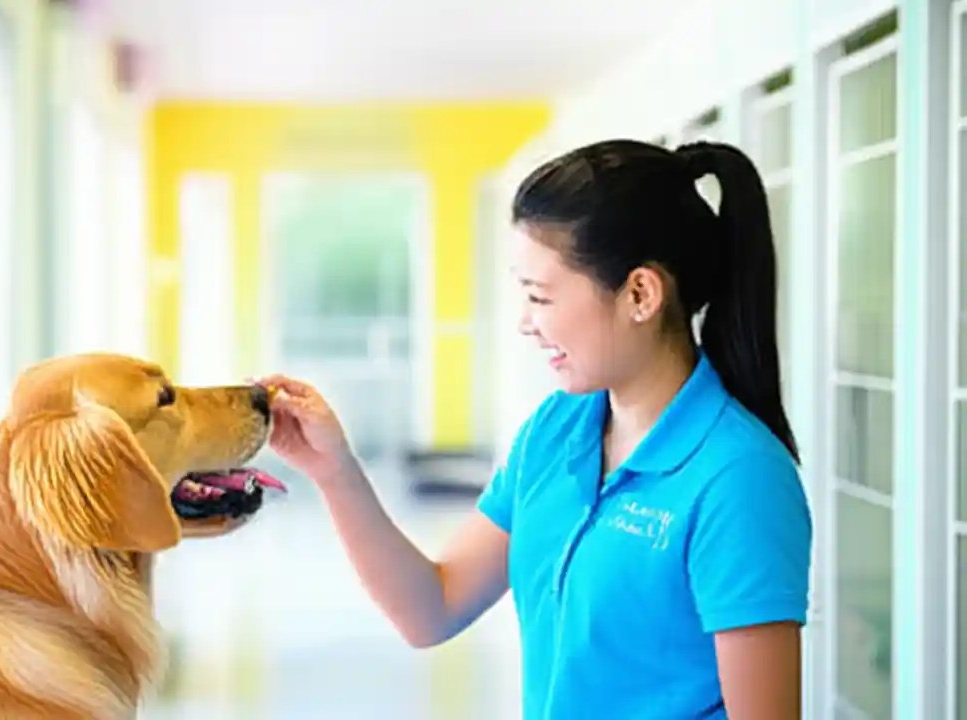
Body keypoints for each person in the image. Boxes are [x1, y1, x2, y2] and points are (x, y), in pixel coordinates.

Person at [257, 138, 812, 719]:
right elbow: (431, 608)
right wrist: (335, 470)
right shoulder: (558, 429)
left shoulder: (739, 479)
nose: (525, 323)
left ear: (641, 294)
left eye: (539, 296)